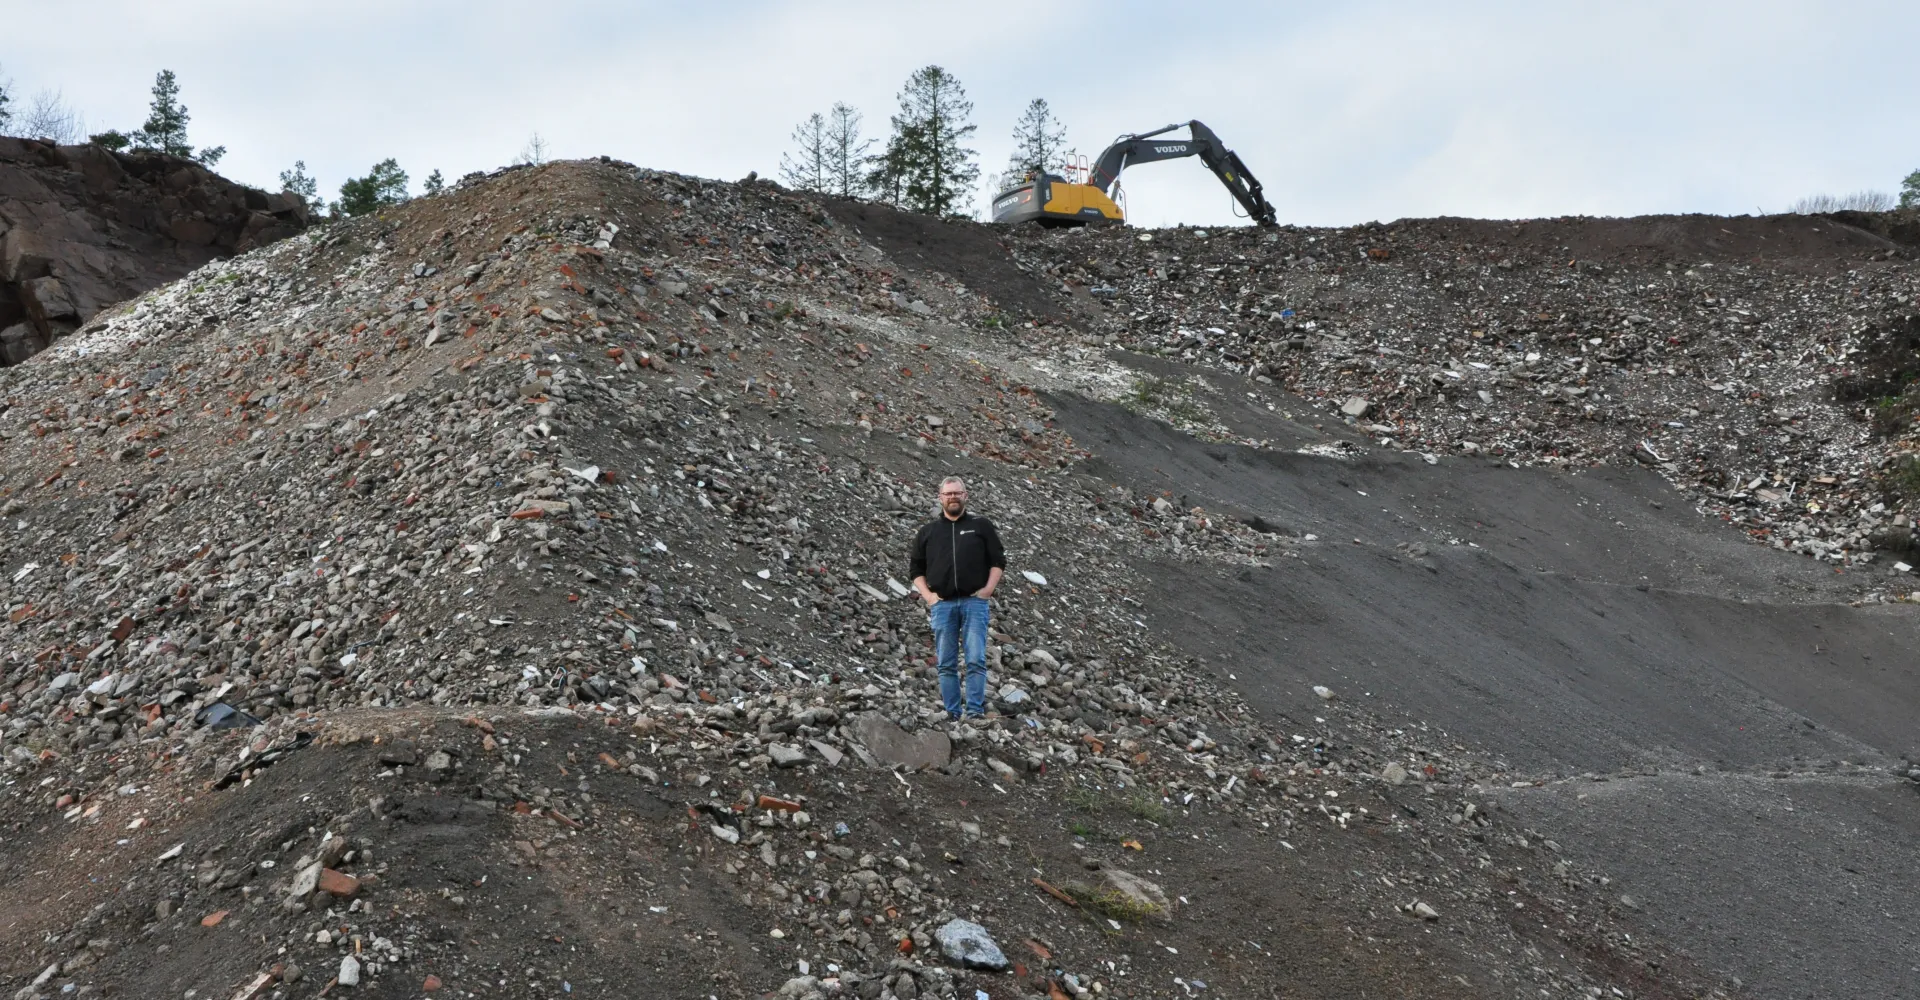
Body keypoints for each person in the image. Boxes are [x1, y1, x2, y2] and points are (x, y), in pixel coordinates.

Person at [908, 476, 1005, 721]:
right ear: (940, 497)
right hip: (943, 605)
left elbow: (998, 561)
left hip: (974, 603)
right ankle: (952, 713)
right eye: (948, 493)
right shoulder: (928, 532)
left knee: (975, 660)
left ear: (965, 495)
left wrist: (987, 591)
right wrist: (929, 597)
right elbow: (915, 570)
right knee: (946, 664)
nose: (952, 497)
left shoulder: (981, 526)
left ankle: (974, 712)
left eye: (957, 493)